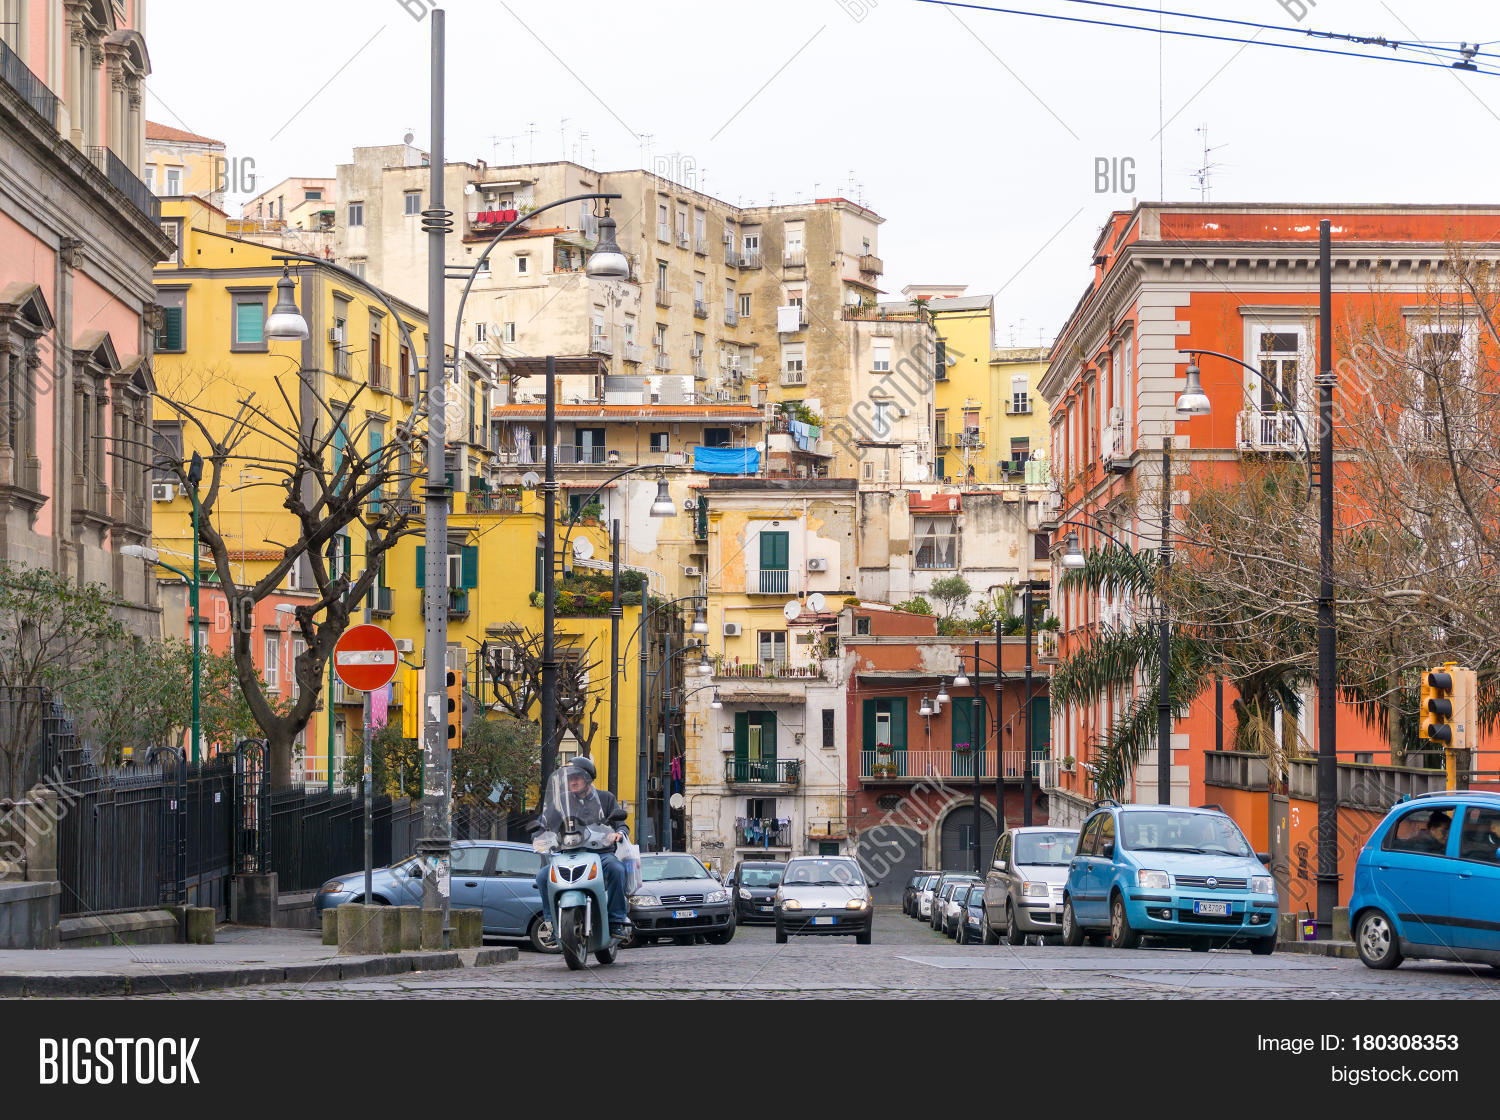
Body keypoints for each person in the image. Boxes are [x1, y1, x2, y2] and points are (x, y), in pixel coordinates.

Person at [532, 757, 632, 940]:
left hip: (600, 854)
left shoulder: (605, 798)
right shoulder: (561, 800)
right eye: (570, 778)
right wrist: (537, 834)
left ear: (588, 779)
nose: (573, 781)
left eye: (577, 777)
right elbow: (544, 822)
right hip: (568, 854)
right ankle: (552, 923)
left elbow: (622, 824)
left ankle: (617, 921)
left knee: (617, 869)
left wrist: (619, 833)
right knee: (542, 876)